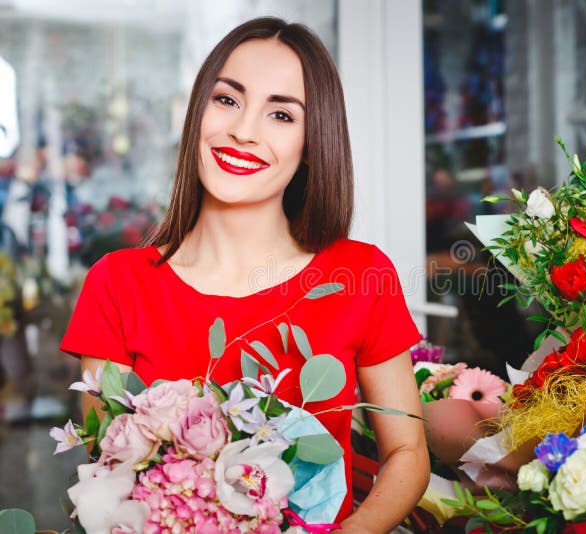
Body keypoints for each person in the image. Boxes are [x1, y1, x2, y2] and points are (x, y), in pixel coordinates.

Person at [60, 17, 429, 532]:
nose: (244, 130)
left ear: (310, 144)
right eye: (228, 100)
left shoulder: (359, 274)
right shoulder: (118, 283)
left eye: (281, 113)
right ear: (198, 113)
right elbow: (108, 472)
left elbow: (408, 451)